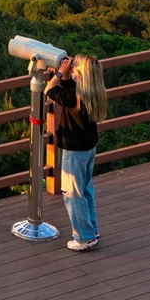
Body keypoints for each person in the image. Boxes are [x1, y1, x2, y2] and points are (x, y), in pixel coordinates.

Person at [46, 53, 107, 252]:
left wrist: (59, 73)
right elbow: (68, 87)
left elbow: (50, 90)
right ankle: (92, 229)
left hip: (74, 150)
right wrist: (66, 75)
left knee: (72, 193)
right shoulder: (91, 91)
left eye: (74, 67)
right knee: (86, 189)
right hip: (88, 148)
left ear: (80, 73)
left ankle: (84, 237)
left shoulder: (74, 96)